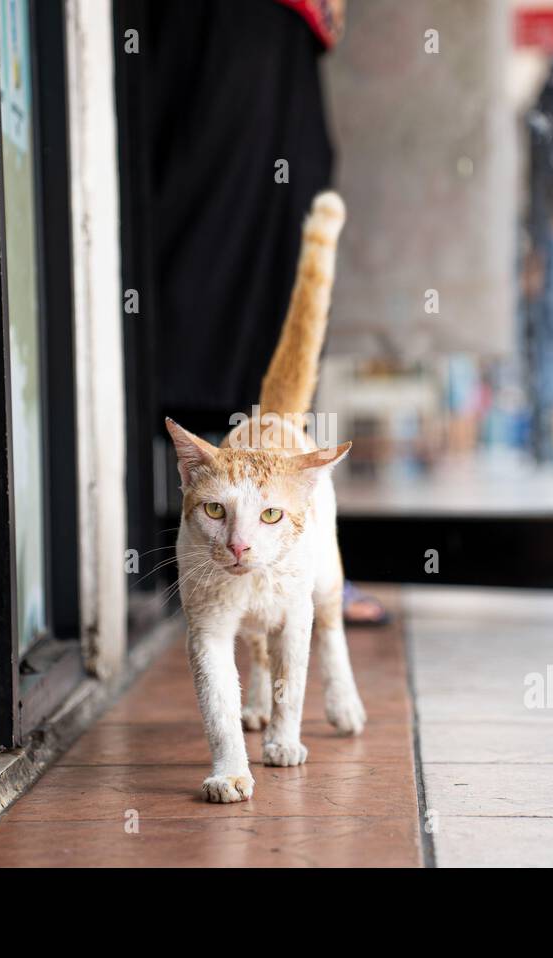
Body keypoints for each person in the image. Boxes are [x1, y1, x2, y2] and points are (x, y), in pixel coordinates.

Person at [143, 0, 388, 625]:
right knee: (205, 221)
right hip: (224, 25)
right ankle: (210, 559)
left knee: (285, 234)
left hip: (288, 26)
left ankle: (291, 565)